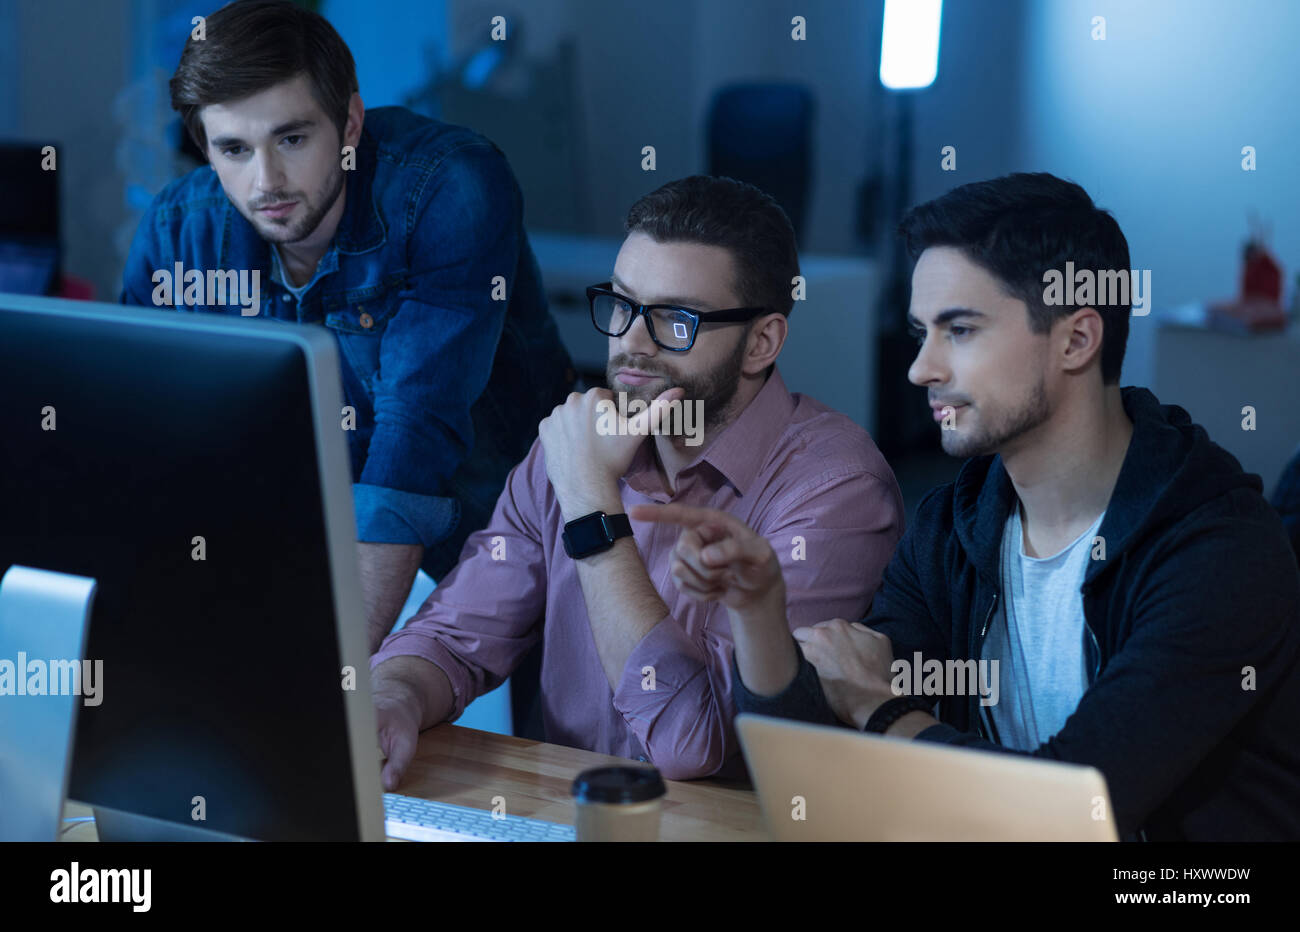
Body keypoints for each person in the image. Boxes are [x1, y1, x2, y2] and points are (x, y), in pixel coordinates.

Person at [639, 173, 1300, 840]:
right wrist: (757, 614)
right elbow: (819, 748)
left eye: (958, 330)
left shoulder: (1218, 549)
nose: (920, 368)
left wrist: (885, 712)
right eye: (922, 332)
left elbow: (1078, 809)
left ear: (1076, 339)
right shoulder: (953, 528)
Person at [369, 175, 904, 784]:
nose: (629, 342)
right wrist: (396, 695)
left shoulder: (837, 491)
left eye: (674, 320)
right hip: (567, 820)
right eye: (622, 305)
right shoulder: (573, 447)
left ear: (762, 341)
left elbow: (691, 742)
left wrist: (592, 506)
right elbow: (454, 636)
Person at [119, 0, 575, 652]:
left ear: (351, 122)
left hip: (488, 549)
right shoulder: (177, 230)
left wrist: (318, 690)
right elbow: (143, 435)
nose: (266, 181)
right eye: (234, 150)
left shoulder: (449, 188)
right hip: (288, 547)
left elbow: (413, 441)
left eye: (293, 139)